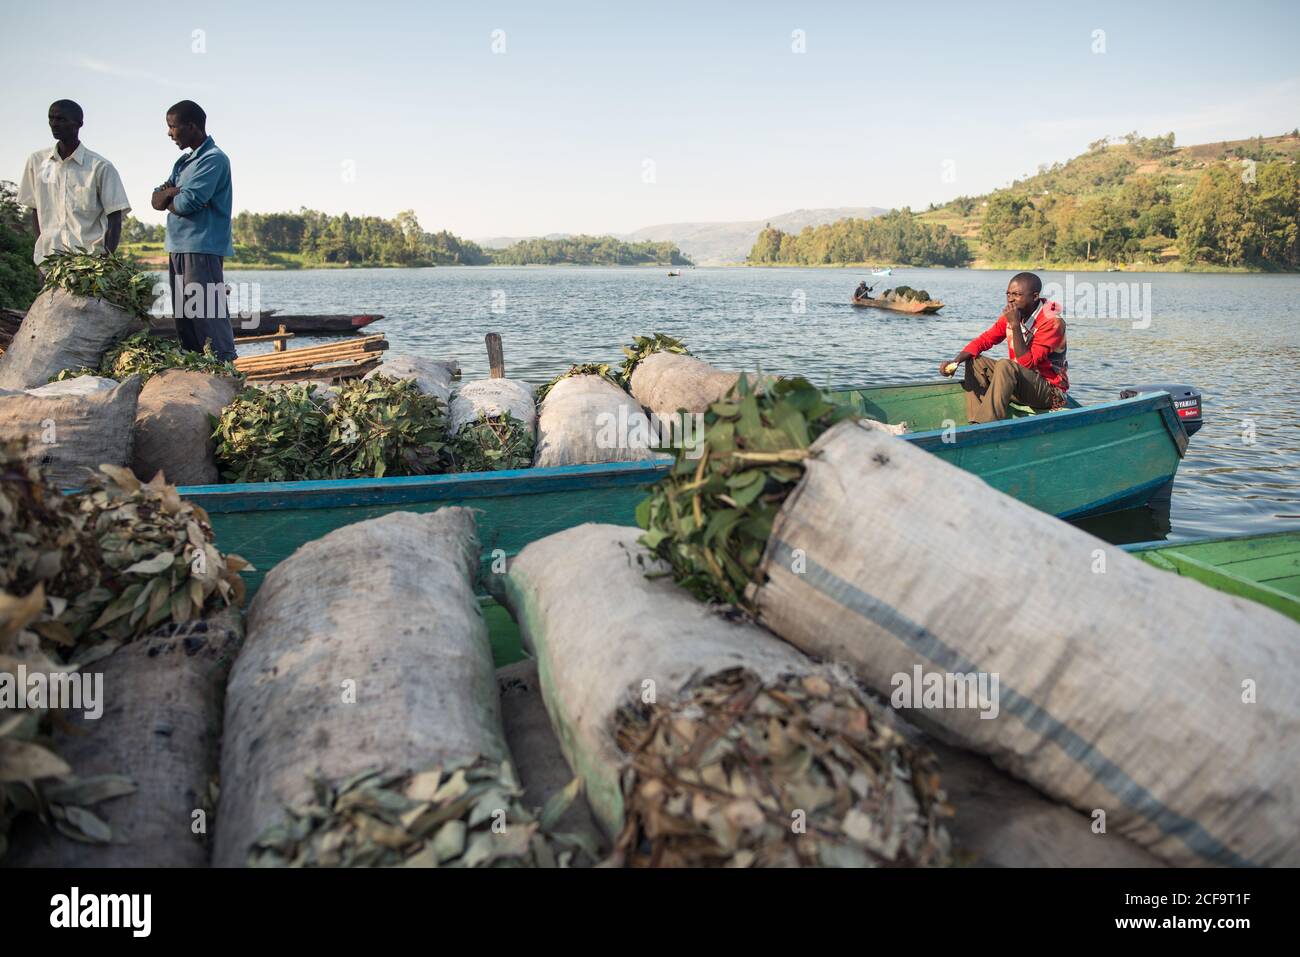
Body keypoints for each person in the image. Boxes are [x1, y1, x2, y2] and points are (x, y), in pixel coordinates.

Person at [152, 99, 237, 361]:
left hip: (202, 248)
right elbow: (156, 200)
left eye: (173, 126)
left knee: (207, 314)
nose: (169, 133)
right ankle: (196, 368)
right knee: (185, 317)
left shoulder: (214, 159)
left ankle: (224, 367)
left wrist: (172, 195)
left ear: (192, 126)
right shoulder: (183, 162)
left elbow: (187, 203)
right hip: (177, 247)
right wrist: (172, 192)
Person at [939, 272, 1068, 423]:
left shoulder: (1052, 322)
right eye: (1008, 294)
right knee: (974, 361)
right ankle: (975, 421)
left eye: (1016, 294)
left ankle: (987, 424)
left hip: (1050, 393)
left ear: (1035, 296)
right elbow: (985, 340)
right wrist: (955, 362)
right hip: (1022, 385)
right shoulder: (1015, 314)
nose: (1010, 299)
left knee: (1005, 365)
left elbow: (1028, 363)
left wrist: (1015, 325)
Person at [18, 100, 131, 271]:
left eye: (61, 119)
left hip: (90, 263)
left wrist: (105, 261)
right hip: (49, 263)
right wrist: (42, 253)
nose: (54, 124)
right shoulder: (37, 162)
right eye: (51, 118)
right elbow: (35, 210)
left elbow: (115, 218)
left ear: (79, 123)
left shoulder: (100, 167)